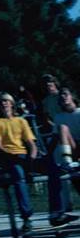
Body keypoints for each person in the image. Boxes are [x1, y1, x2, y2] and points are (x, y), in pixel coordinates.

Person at [0, 92, 37, 235]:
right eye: (1, 101)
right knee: (18, 174)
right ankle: (26, 217)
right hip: (8, 156)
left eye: (6, 101)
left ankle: (57, 214)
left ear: (12, 103)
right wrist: (7, 153)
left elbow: (30, 142)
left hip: (22, 155)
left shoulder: (21, 121)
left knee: (52, 168)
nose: (4, 103)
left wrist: (33, 155)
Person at [46, 87, 80, 227]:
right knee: (62, 128)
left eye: (66, 94)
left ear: (72, 96)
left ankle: (69, 163)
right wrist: (47, 157)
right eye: (60, 96)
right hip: (70, 151)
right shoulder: (59, 117)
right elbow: (55, 138)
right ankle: (57, 213)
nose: (63, 97)